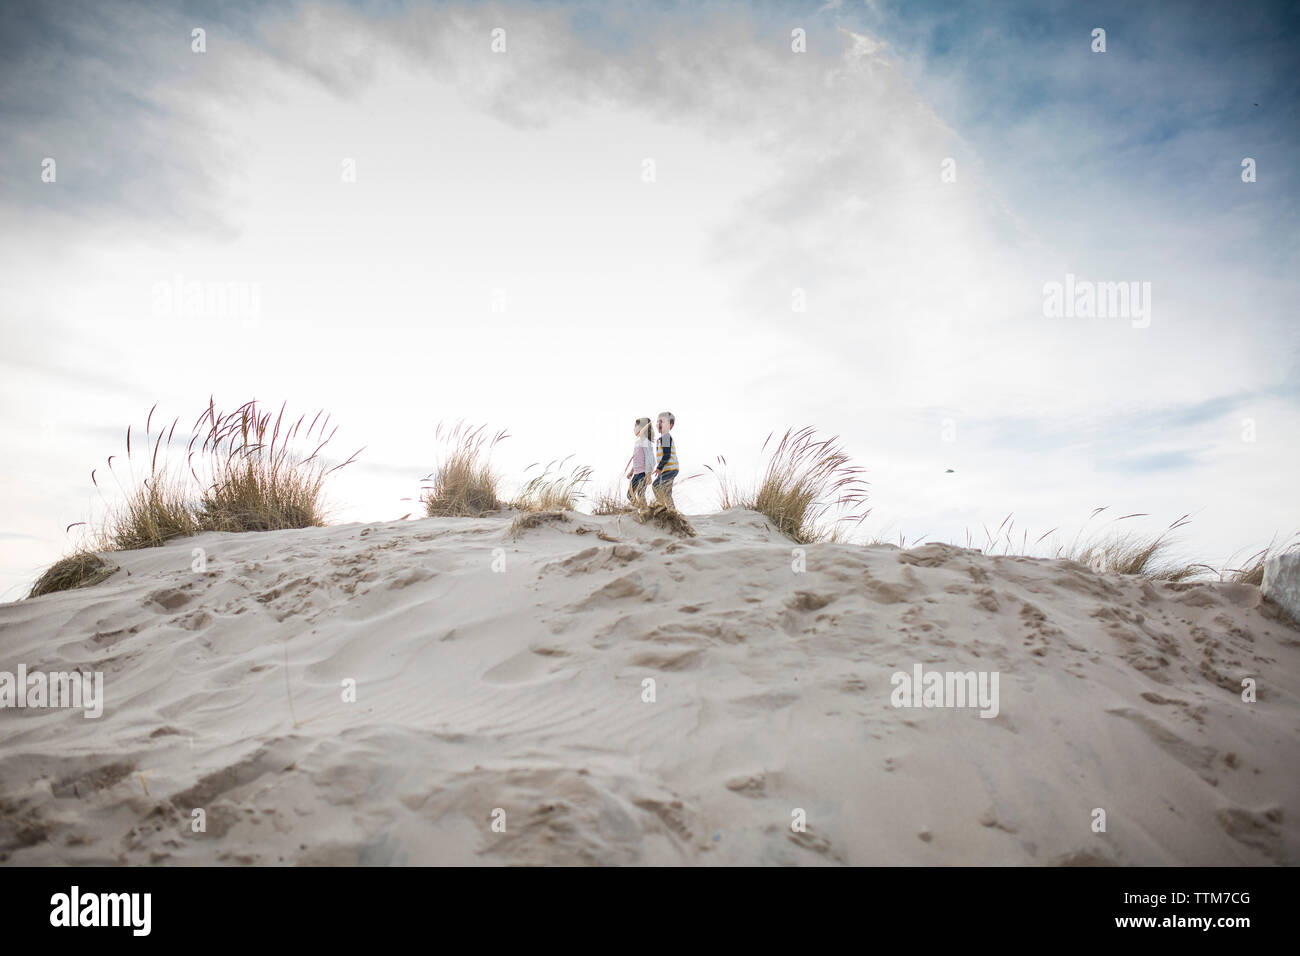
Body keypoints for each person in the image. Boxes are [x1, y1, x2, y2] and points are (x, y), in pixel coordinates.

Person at [651, 411, 679, 510]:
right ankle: (671, 510)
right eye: (658, 421)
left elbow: (667, 455)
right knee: (666, 491)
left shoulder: (666, 437)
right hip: (668, 469)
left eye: (662, 422)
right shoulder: (661, 439)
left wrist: (659, 468)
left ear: (670, 426)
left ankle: (662, 507)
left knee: (656, 485)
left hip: (670, 469)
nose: (659, 423)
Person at [625, 417, 655, 507]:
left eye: (636, 426)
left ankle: (645, 513)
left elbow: (650, 458)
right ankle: (639, 510)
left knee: (641, 495)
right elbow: (637, 458)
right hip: (636, 473)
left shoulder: (646, 441)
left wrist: (649, 474)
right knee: (630, 495)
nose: (634, 428)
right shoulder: (637, 442)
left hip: (643, 474)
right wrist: (631, 471)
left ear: (642, 428)